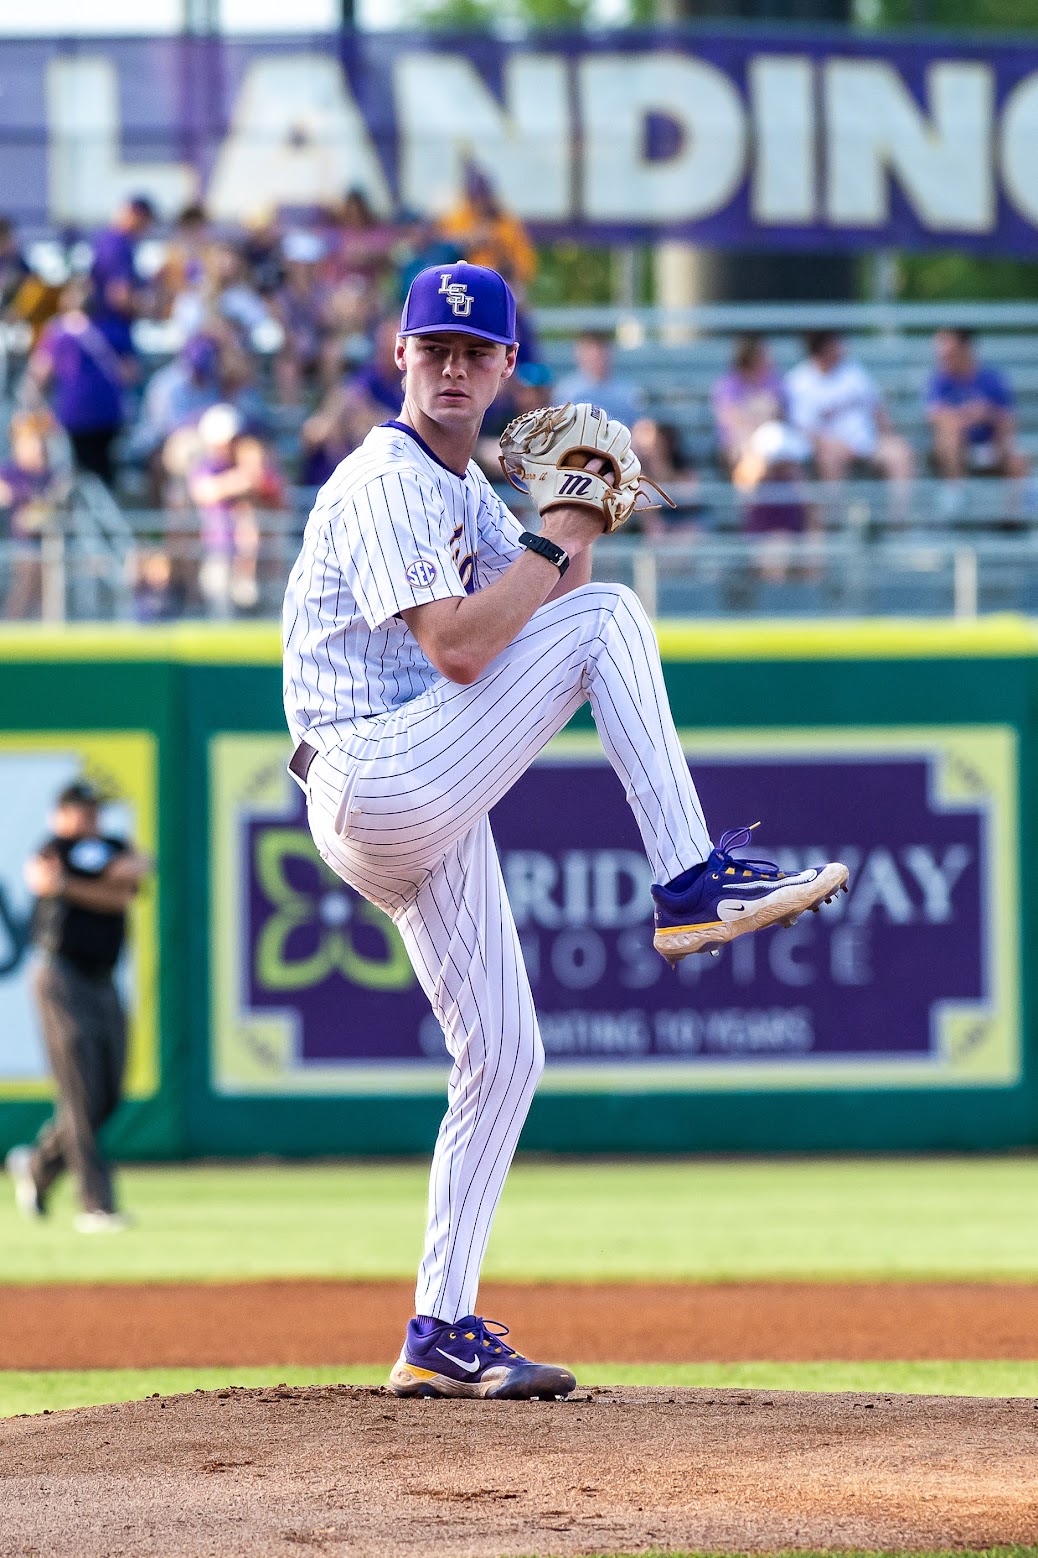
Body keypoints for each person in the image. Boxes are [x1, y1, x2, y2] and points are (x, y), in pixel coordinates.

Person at [282, 260, 847, 1401]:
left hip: (408, 785)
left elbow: (542, 585)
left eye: (470, 352)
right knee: (610, 622)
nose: (449, 367)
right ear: (399, 357)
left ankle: (437, 1328)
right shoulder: (390, 477)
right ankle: (691, 881)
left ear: (503, 368)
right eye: (430, 349)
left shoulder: (466, 493)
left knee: (505, 1054)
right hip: (376, 765)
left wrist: (578, 512)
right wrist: (556, 549)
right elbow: (461, 648)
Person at [5, 780, 151, 1231]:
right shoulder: (52, 847)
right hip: (60, 975)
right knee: (80, 1092)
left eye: (93, 809)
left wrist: (74, 886)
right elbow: (44, 880)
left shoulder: (112, 844)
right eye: (79, 809)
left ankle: (40, 1165)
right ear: (60, 814)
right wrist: (99, 887)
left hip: (104, 978)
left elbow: (138, 875)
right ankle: (96, 1205)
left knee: (108, 1094)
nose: (89, 817)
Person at [28, 280, 131, 487]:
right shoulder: (113, 328)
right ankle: (106, 507)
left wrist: (33, 402)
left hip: (75, 411)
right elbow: (130, 373)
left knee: (80, 468)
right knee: (103, 465)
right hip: (109, 410)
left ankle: (89, 509)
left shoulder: (57, 333)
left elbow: (40, 372)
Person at [784, 330, 914, 490]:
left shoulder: (854, 372)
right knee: (831, 458)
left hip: (869, 444)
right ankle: (835, 514)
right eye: (835, 343)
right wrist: (834, 445)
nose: (841, 347)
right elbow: (805, 430)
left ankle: (901, 515)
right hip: (830, 448)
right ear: (824, 348)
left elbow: (878, 411)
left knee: (898, 452)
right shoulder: (799, 381)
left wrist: (888, 436)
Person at [925, 328, 1029, 480]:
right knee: (949, 431)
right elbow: (935, 417)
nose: (942, 355)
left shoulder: (992, 379)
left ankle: (1014, 504)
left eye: (948, 351)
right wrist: (970, 415)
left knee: (1017, 460)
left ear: (965, 349)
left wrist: (986, 414)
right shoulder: (939, 382)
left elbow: (1008, 418)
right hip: (953, 447)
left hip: (990, 443)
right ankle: (956, 494)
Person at [0, 409, 60, 618]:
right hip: (22, 545)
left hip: (52, 545)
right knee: (27, 579)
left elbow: (57, 504)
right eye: (28, 440)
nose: (36, 446)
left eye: (39, 440)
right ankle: (12, 626)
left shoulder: (52, 475)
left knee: (49, 588)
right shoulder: (9, 472)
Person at [89, 194, 156, 361]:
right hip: (113, 331)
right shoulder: (119, 245)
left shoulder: (105, 240)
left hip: (102, 329)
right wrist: (152, 310)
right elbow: (119, 297)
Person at [711, 334, 786, 471]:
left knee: (789, 467)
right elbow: (732, 420)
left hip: (771, 444)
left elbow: (779, 416)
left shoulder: (773, 382)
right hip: (738, 446)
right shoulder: (729, 386)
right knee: (756, 465)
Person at [556, 331, 647, 431]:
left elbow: (638, 424)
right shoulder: (566, 391)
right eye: (590, 350)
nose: (597, 355)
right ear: (578, 353)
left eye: (601, 349)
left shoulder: (627, 390)